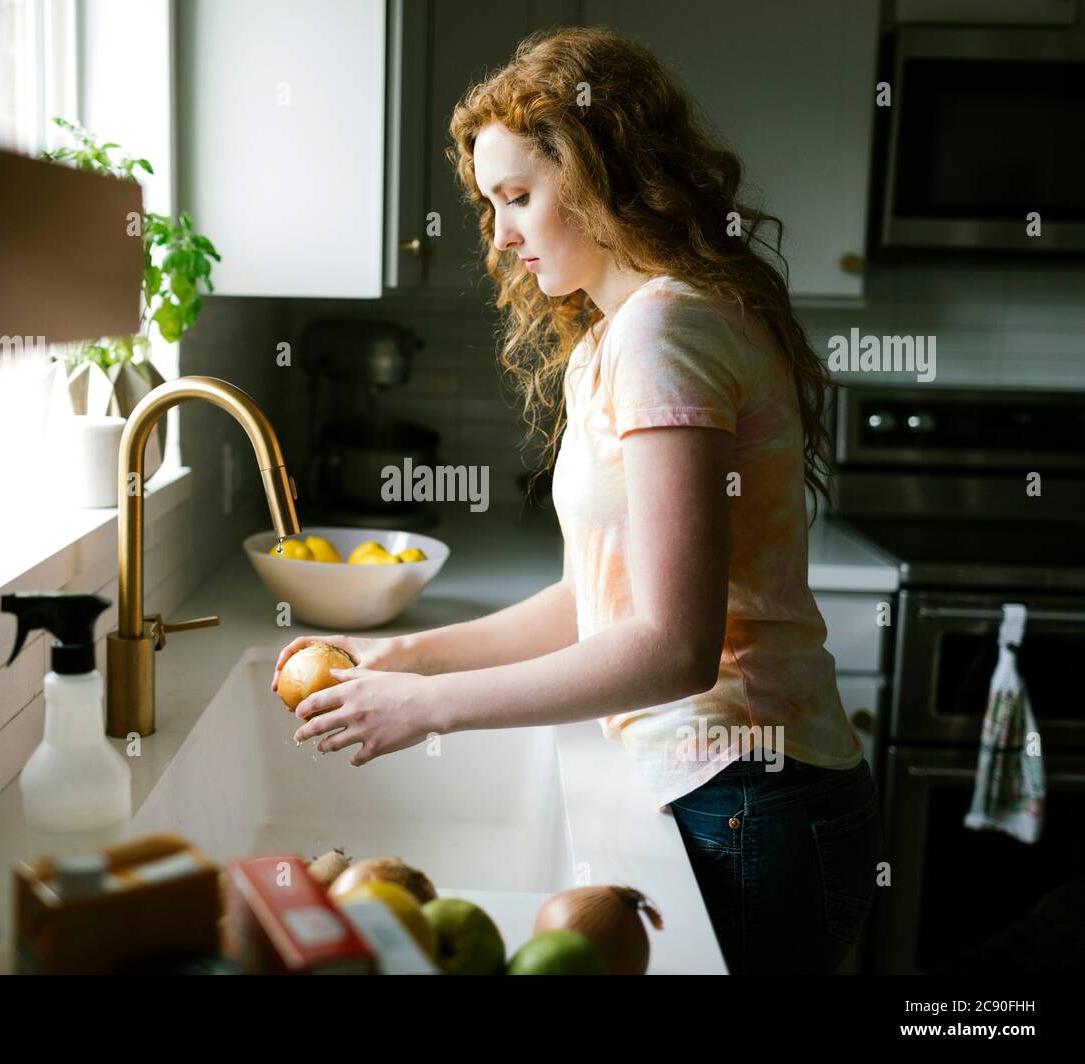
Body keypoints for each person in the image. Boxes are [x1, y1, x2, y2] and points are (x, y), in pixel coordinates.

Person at [272, 26, 882, 975]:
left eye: (519, 196)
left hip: (756, 800)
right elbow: (592, 604)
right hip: (733, 792)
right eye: (490, 205)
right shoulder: (614, 339)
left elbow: (675, 651)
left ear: (602, 173)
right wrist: (410, 659)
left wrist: (426, 711)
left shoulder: (666, 334)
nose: (501, 234)